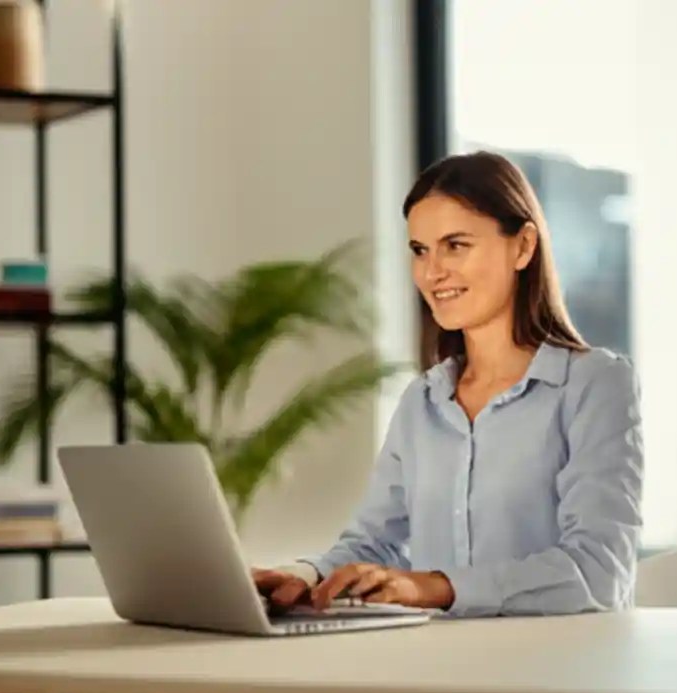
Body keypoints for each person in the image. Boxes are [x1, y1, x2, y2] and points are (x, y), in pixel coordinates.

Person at [252, 151, 644, 618]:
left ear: (522, 247)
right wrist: (305, 576)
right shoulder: (423, 402)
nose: (432, 272)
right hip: (438, 658)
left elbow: (599, 571)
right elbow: (374, 544)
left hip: (557, 660)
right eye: (420, 250)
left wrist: (436, 587)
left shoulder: (594, 385)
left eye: (455, 245)